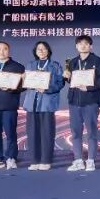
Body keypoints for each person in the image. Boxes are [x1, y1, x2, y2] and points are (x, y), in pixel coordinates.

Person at [63, 35, 100, 172]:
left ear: (90, 46)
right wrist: (66, 77)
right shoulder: (72, 62)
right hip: (74, 101)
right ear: (76, 46)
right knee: (75, 132)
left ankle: (91, 160)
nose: (83, 46)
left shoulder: (97, 61)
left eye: (86, 44)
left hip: (90, 101)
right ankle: (78, 160)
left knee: (91, 132)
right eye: (80, 44)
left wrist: (89, 87)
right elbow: (71, 80)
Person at [21, 40, 64, 171]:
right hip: (31, 103)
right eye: (38, 49)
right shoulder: (30, 65)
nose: (41, 51)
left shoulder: (55, 65)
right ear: (35, 51)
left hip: (47, 103)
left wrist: (46, 89)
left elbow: (60, 84)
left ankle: (46, 160)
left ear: (48, 51)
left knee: (47, 133)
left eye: (44, 48)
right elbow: (25, 84)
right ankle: (34, 160)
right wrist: (23, 80)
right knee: (32, 133)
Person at [0, 41, 26, 170]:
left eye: (5, 49)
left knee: (10, 133)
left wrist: (12, 88)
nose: (2, 51)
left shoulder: (18, 67)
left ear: (9, 51)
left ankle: (11, 158)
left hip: (9, 105)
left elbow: (24, 86)